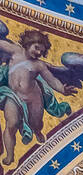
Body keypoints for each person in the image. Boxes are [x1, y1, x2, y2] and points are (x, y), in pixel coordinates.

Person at [0, 29, 76, 166]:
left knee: (36, 123)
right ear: (28, 43)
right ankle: (10, 155)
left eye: (42, 51)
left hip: (33, 97)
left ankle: (37, 131)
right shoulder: (15, 51)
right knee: (11, 124)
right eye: (36, 48)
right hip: (12, 95)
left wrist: (62, 90)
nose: (39, 53)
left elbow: (51, 80)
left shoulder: (39, 65)